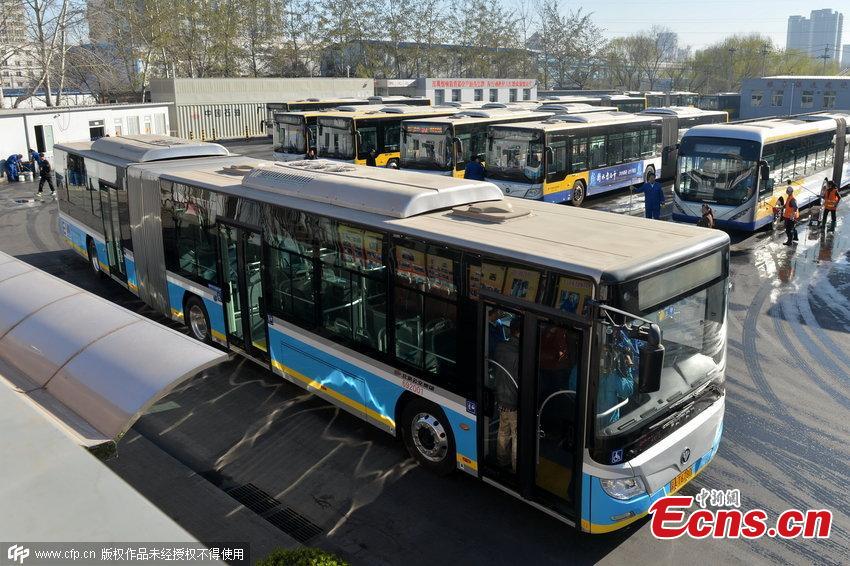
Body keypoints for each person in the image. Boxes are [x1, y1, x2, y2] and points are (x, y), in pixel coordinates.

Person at [493, 318, 521, 473]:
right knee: (517, 435)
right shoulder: (520, 353)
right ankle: (517, 468)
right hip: (514, 401)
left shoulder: (500, 347)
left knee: (503, 430)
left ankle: (501, 461)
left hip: (501, 397)